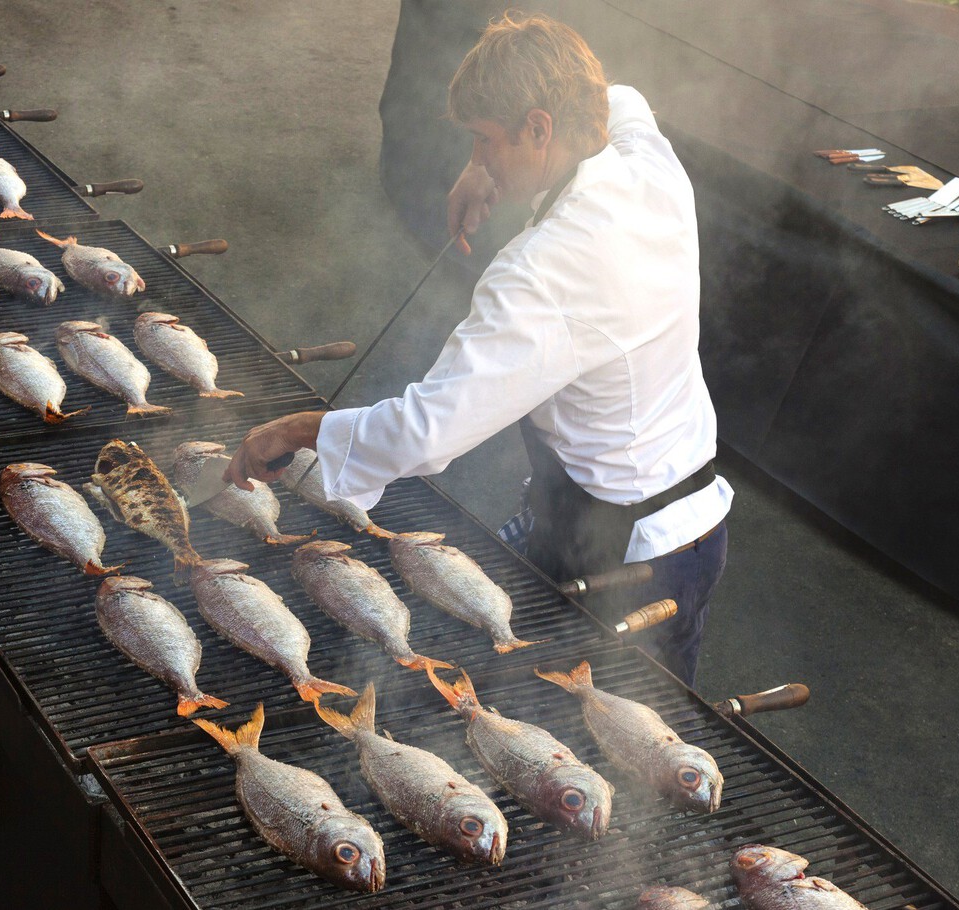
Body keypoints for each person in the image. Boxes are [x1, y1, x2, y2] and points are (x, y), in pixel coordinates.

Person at [225, 12, 732, 687]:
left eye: (484, 139)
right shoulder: (646, 161)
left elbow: (426, 433)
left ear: (539, 128)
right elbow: (623, 95)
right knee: (524, 677)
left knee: (625, 751)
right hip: (609, 509)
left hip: (639, 557)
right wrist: (483, 170)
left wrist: (293, 429)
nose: (481, 153)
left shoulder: (544, 271)